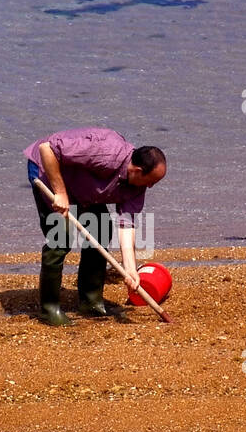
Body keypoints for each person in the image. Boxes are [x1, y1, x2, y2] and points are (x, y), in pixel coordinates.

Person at [23, 128, 166, 326]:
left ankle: (90, 301)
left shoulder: (137, 187)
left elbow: (126, 225)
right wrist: (61, 193)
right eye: (151, 181)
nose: (150, 187)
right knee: (60, 238)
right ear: (138, 171)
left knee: (101, 230)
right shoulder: (106, 151)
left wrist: (131, 269)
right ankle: (49, 309)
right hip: (48, 172)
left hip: (84, 188)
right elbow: (47, 149)